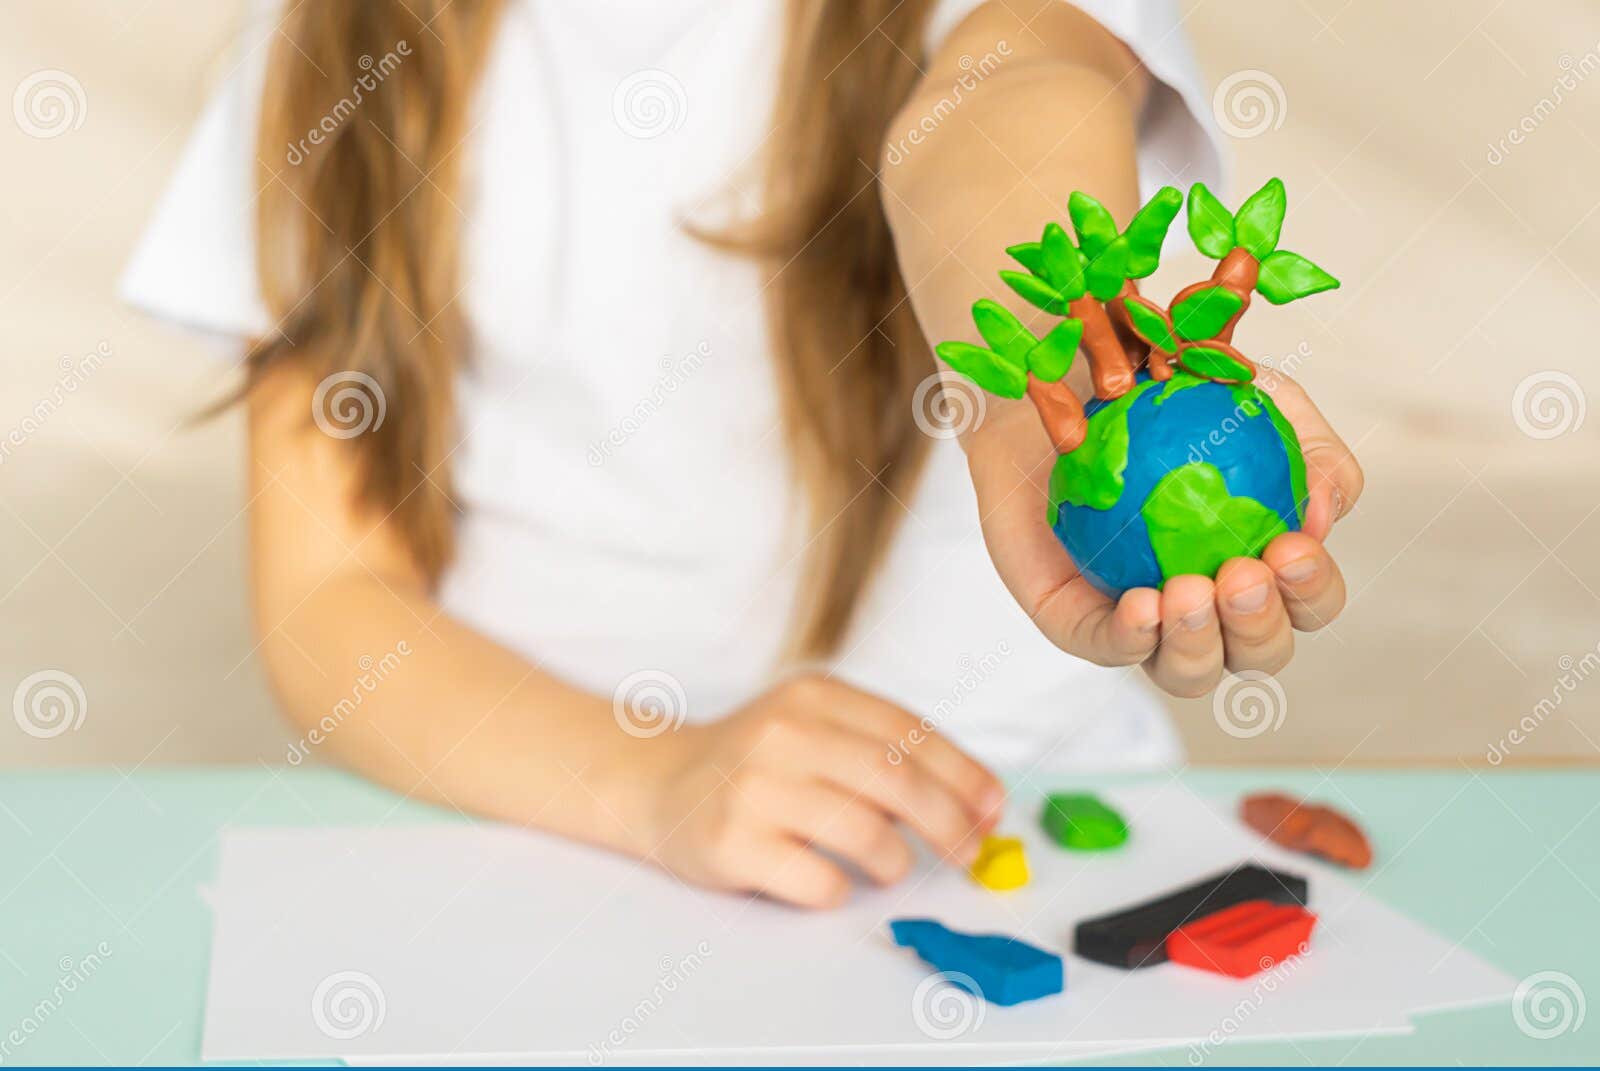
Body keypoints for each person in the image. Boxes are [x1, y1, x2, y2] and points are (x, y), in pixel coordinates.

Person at [122, 0, 1361, 908]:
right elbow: (331, 598)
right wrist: (654, 782)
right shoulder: (326, 50)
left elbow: (1005, 91)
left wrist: (1030, 373)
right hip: (533, 835)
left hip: (1013, 839)